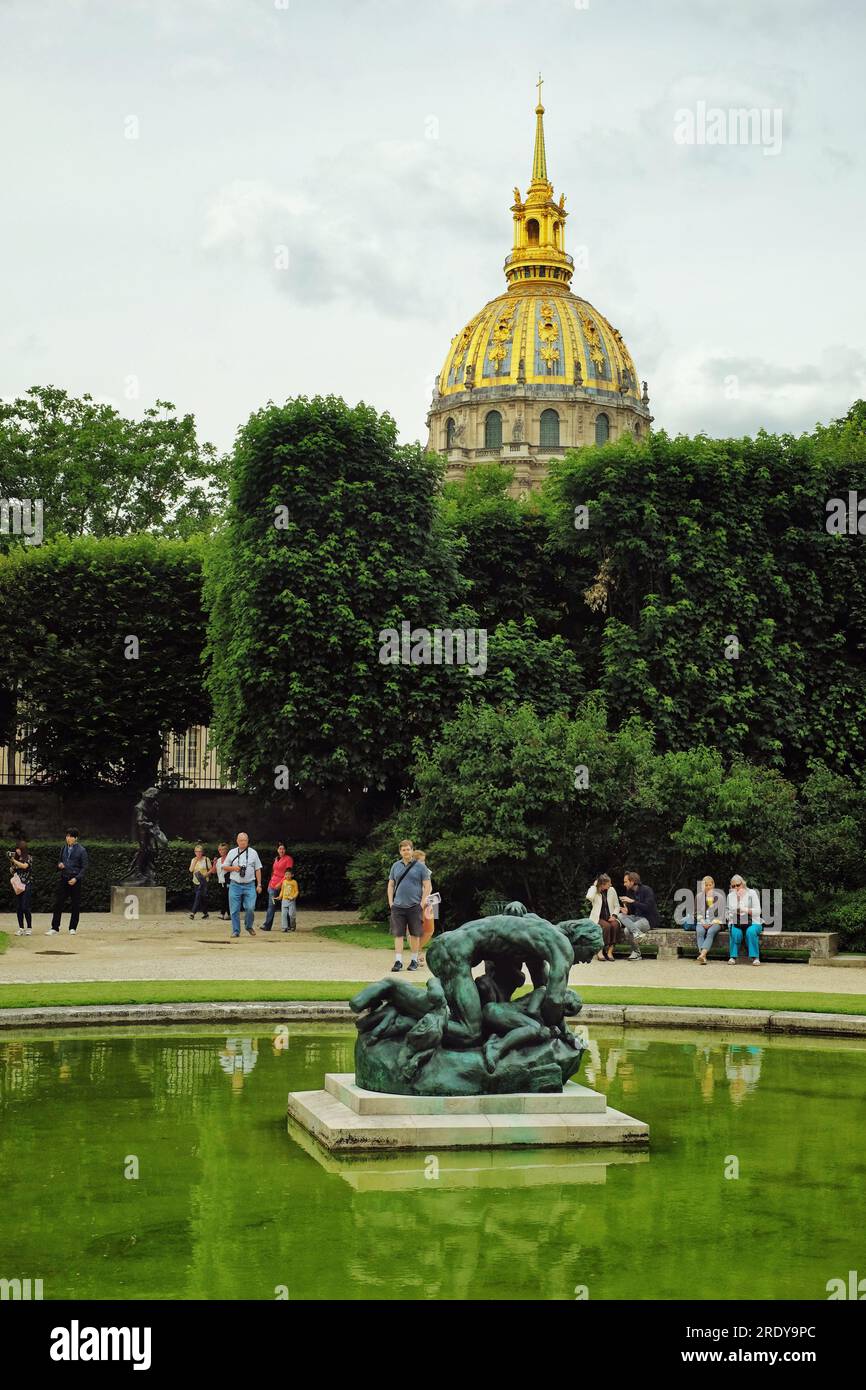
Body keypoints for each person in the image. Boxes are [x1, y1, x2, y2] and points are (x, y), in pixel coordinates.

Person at [387, 839, 431, 973]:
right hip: (398, 906)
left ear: (412, 850)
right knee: (398, 935)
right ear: (400, 852)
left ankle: (413, 961)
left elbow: (427, 886)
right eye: (403, 849)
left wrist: (422, 903)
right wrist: (391, 902)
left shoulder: (420, 867)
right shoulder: (395, 866)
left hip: (414, 906)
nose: (406, 851)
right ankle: (398, 961)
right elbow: (390, 884)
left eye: (408, 849)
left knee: (415, 934)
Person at [47, 829, 88, 935]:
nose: (68, 838)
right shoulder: (64, 848)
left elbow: (84, 868)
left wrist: (76, 878)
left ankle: (72, 927)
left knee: (75, 904)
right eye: (67, 836)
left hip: (75, 880)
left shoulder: (82, 850)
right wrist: (59, 865)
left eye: (70, 836)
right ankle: (55, 927)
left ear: (75, 838)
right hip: (64, 878)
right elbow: (60, 860)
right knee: (58, 903)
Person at [223, 832, 263, 938]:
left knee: (250, 907)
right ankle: (236, 931)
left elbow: (258, 869)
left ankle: (248, 926)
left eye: (244, 840)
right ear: (237, 841)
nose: (243, 842)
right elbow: (224, 867)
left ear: (248, 841)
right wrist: (234, 868)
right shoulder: (232, 852)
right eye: (240, 840)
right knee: (234, 909)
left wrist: (259, 884)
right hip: (235, 885)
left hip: (250, 885)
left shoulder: (253, 853)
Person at [617, 870, 658, 961]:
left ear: (632, 881)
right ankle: (637, 933)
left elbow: (648, 908)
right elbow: (633, 910)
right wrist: (626, 910)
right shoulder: (630, 892)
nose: (624, 884)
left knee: (627, 930)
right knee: (620, 915)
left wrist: (632, 901)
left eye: (625, 882)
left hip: (647, 919)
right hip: (636, 917)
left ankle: (636, 953)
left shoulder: (647, 890)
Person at [727, 874, 763, 966]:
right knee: (736, 932)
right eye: (733, 886)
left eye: (738, 885)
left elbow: (758, 911)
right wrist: (733, 914)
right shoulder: (730, 896)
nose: (736, 888)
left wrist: (745, 910)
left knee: (750, 932)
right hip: (737, 922)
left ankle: (755, 958)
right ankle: (733, 957)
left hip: (753, 922)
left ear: (743, 884)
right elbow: (727, 913)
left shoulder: (752, 893)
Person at [585, 873, 622, 961]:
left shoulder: (612, 890)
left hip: (610, 916)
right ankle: (600, 950)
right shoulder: (595, 891)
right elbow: (588, 897)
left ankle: (610, 951)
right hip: (598, 918)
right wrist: (594, 886)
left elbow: (617, 905)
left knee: (615, 925)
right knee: (606, 926)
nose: (611, 885)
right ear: (603, 884)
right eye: (609, 883)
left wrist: (614, 915)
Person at [413, 850, 438, 966]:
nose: (423, 863)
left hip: (428, 902)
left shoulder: (426, 871)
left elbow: (430, 887)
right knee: (415, 930)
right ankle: (416, 956)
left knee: (429, 930)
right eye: (421, 861)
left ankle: (416, 951)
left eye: (424, 860)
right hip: (415, 903)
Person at [262, 843, 294, 932]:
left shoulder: (288, 859)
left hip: (284, 886)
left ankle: (289, 925)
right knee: (271, 905)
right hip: (272, 886)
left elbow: (288, 873)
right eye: (280, 848)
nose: (281, 850)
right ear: (277, 850)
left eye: (283, 849)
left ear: (285, 850)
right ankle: (267, 925)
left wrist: (280, 883)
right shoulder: (276, 859)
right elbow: (274, 872)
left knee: (285, 906)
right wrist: (270, 883)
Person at [692, 875, 723, 964]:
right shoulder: (699, 897)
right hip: (702, 921)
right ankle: (703, 956)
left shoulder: (719, 897)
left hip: (716, 922)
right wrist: (702, 921)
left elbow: (721, 915)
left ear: (713, 885)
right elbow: (696, 912)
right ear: (703, 886)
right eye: (706, 885)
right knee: (700, 931)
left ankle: (702, 954)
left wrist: (711, 923)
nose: (708, 887)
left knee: (710, 932)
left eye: (710, 885)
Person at [10, 838, 33, 936]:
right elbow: (13, 870)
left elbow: (24, 866)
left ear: (23, 849)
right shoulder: (15, 858)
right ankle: (21, 928)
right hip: (18, 885)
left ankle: (29, 927)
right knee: (19, 907)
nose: (17, 850)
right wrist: (12, 864)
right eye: (16, 849)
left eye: (19, 849)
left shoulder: (29, 857)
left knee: (25, 907)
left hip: (27, 884)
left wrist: (13, 860)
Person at [189, 843, 212, 920]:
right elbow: (191, 870)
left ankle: (193, 913)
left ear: (202, 852)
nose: (198, 853)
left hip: (204, 881)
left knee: (198, 895)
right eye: (197, 851)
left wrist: (206, 874)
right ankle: (205, 913)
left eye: (200, 851)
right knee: (201, 898)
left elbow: (211, 869)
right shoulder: (193, 860)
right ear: (195, 852)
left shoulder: (206, 859)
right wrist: (195, 862)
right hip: (196, 881)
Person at [277, 865, 299, 932]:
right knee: (283, 914)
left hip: (291, 901)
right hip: (284, 900)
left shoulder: (294, 882)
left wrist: (293, 897)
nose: (287, 876)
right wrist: (280, 896)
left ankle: (293, 926)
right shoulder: (284, 882)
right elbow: (282, 890)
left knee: (291, 914)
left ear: (292, 875)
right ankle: (284, 927)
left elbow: (297, 891)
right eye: (286, 874)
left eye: (289, 874)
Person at [214, 841, 231, 919]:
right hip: (221, 881)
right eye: (220, 850)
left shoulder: (229, 859)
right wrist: (214, 863)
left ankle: (229, 914)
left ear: (226, 850)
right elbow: (214, 871)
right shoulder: (218, 860)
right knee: (223, 897)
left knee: (228, 897)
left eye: (223, 849)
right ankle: (222, 913)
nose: (221, 851)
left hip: (229, 881)